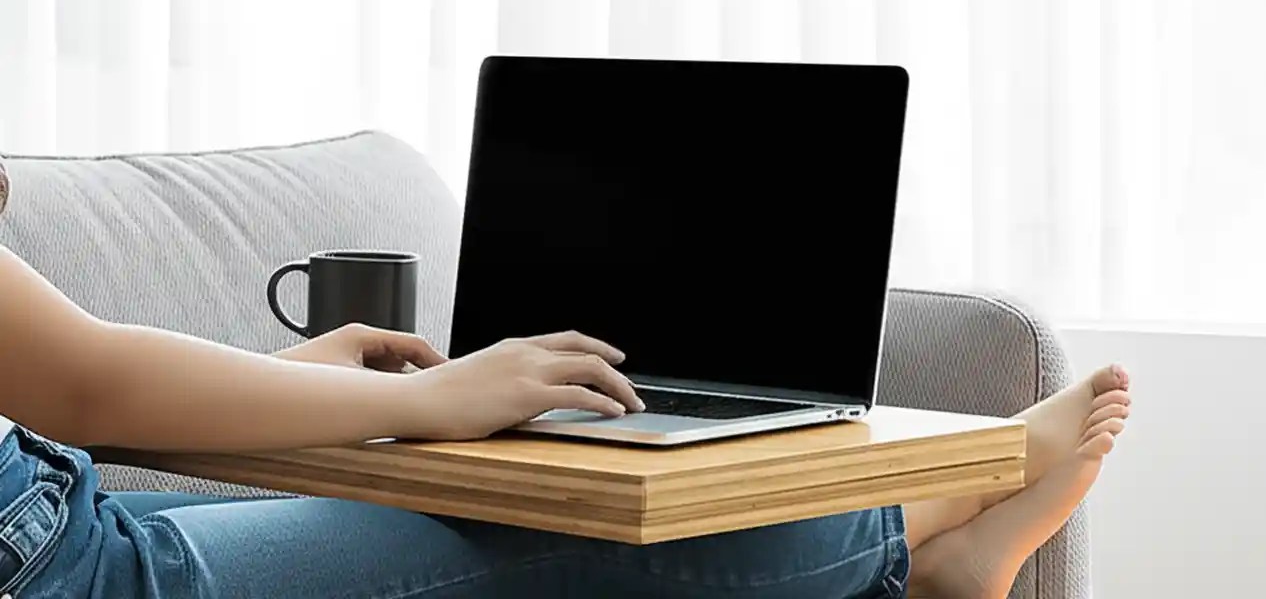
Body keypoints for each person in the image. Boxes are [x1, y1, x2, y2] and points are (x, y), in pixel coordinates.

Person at [0, 159, 1130, 599]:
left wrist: (277, 383)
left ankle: (926, 561)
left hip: (56, 519)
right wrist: (422, 399)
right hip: (69, 570)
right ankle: (933, 519)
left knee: (469, 513)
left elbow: (57, 383)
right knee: (607, 534)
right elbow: (86, 385)